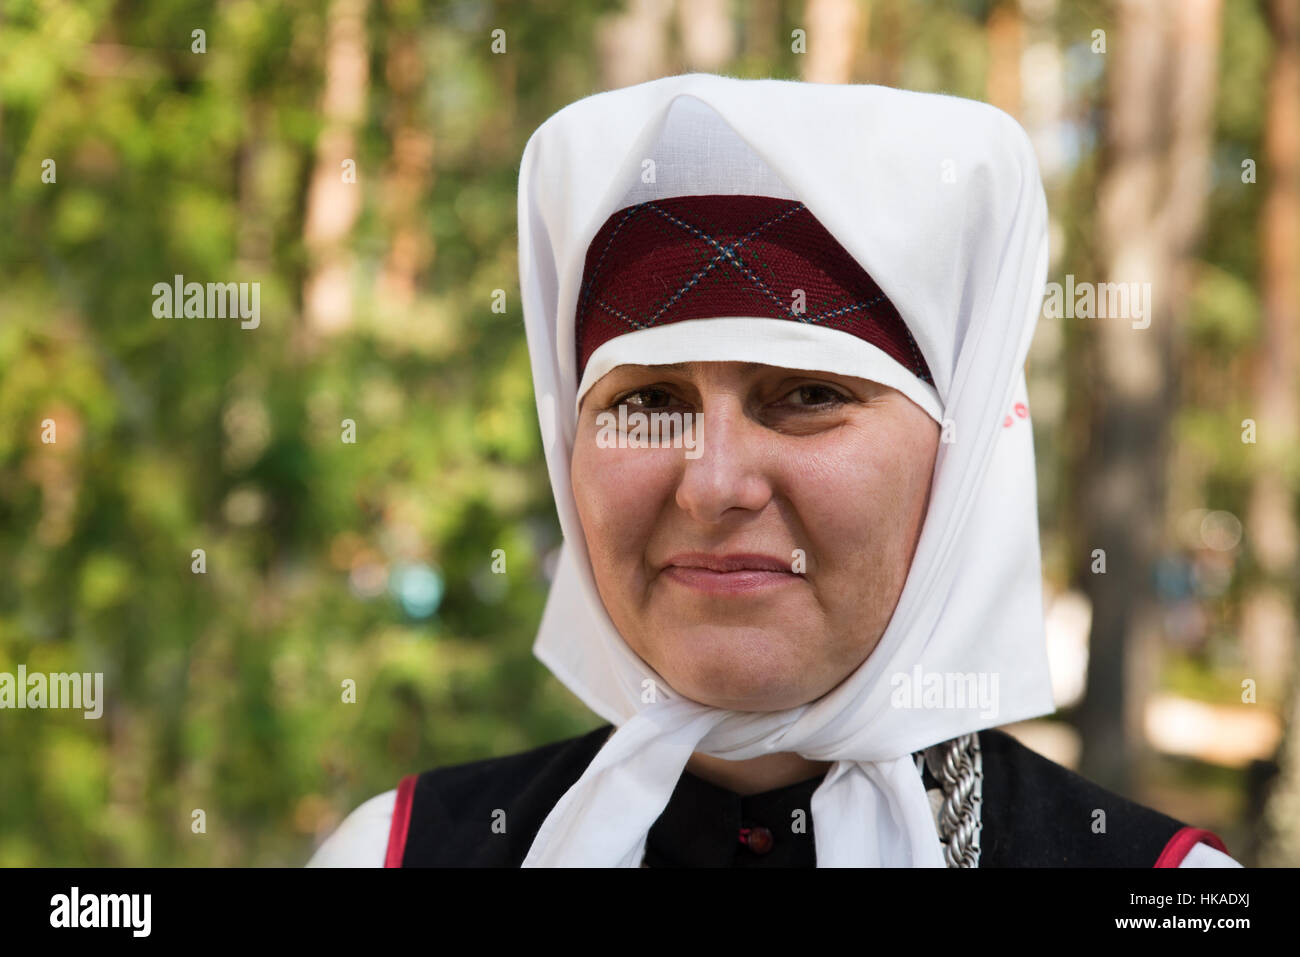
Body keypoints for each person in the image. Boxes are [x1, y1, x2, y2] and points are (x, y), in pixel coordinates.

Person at [309, 73, 1241, 868]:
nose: (713, 484)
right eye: (648, 403)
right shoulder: (395, 851)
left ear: (959, 462)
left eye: (806, 395)